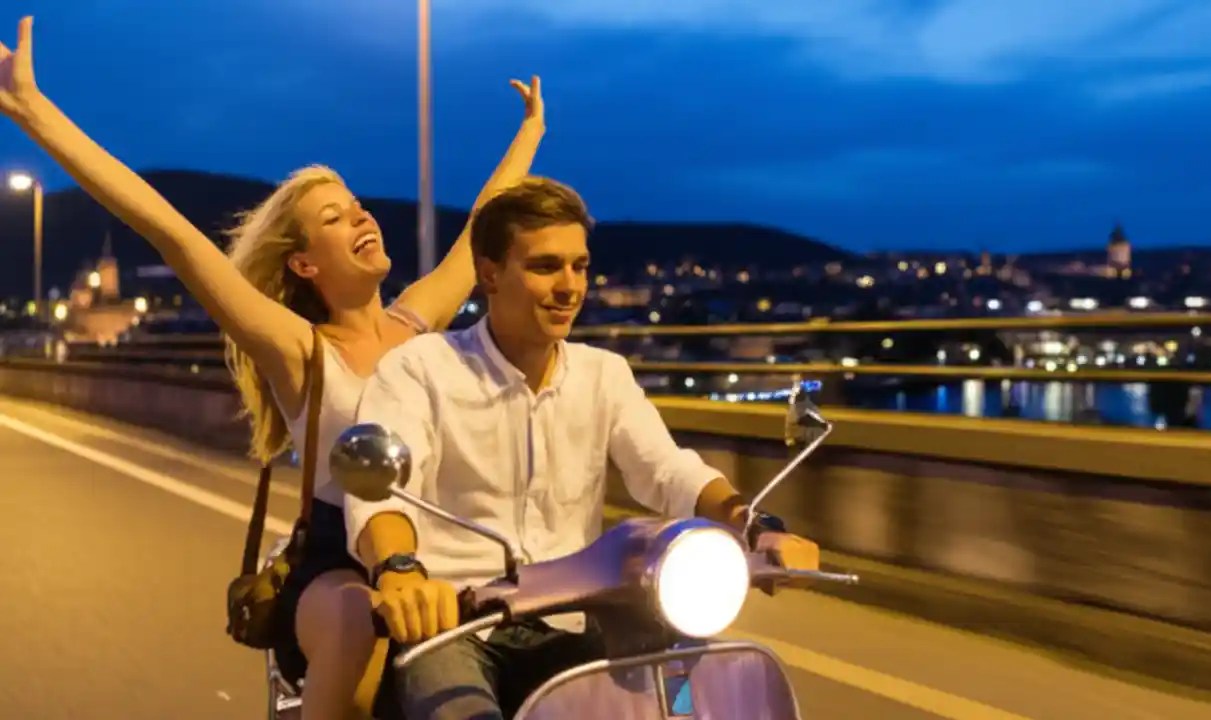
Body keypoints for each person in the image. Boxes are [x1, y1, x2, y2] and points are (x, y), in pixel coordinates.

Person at [0, 15, 548, 719]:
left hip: (431, 553)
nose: (361, 218)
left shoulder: (416, 325)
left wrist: (530, 133)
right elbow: (171, 232)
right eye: (334, 218)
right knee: (357, 621)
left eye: (358, 207)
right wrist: (32, 111)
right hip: (337, 566)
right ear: (304, 264)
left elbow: (481, 230)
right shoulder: (300, 348)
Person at [345, 176, 823, 719]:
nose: (570, 286)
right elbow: (384, 490)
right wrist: (400, 570)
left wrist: (755, 525)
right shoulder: (422, 368)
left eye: (580, 266)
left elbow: (667, 470)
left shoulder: (604, 375)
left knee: (685, 701)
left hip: (574, 619)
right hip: (456, 623)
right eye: (546, 266)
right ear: (490, 273)